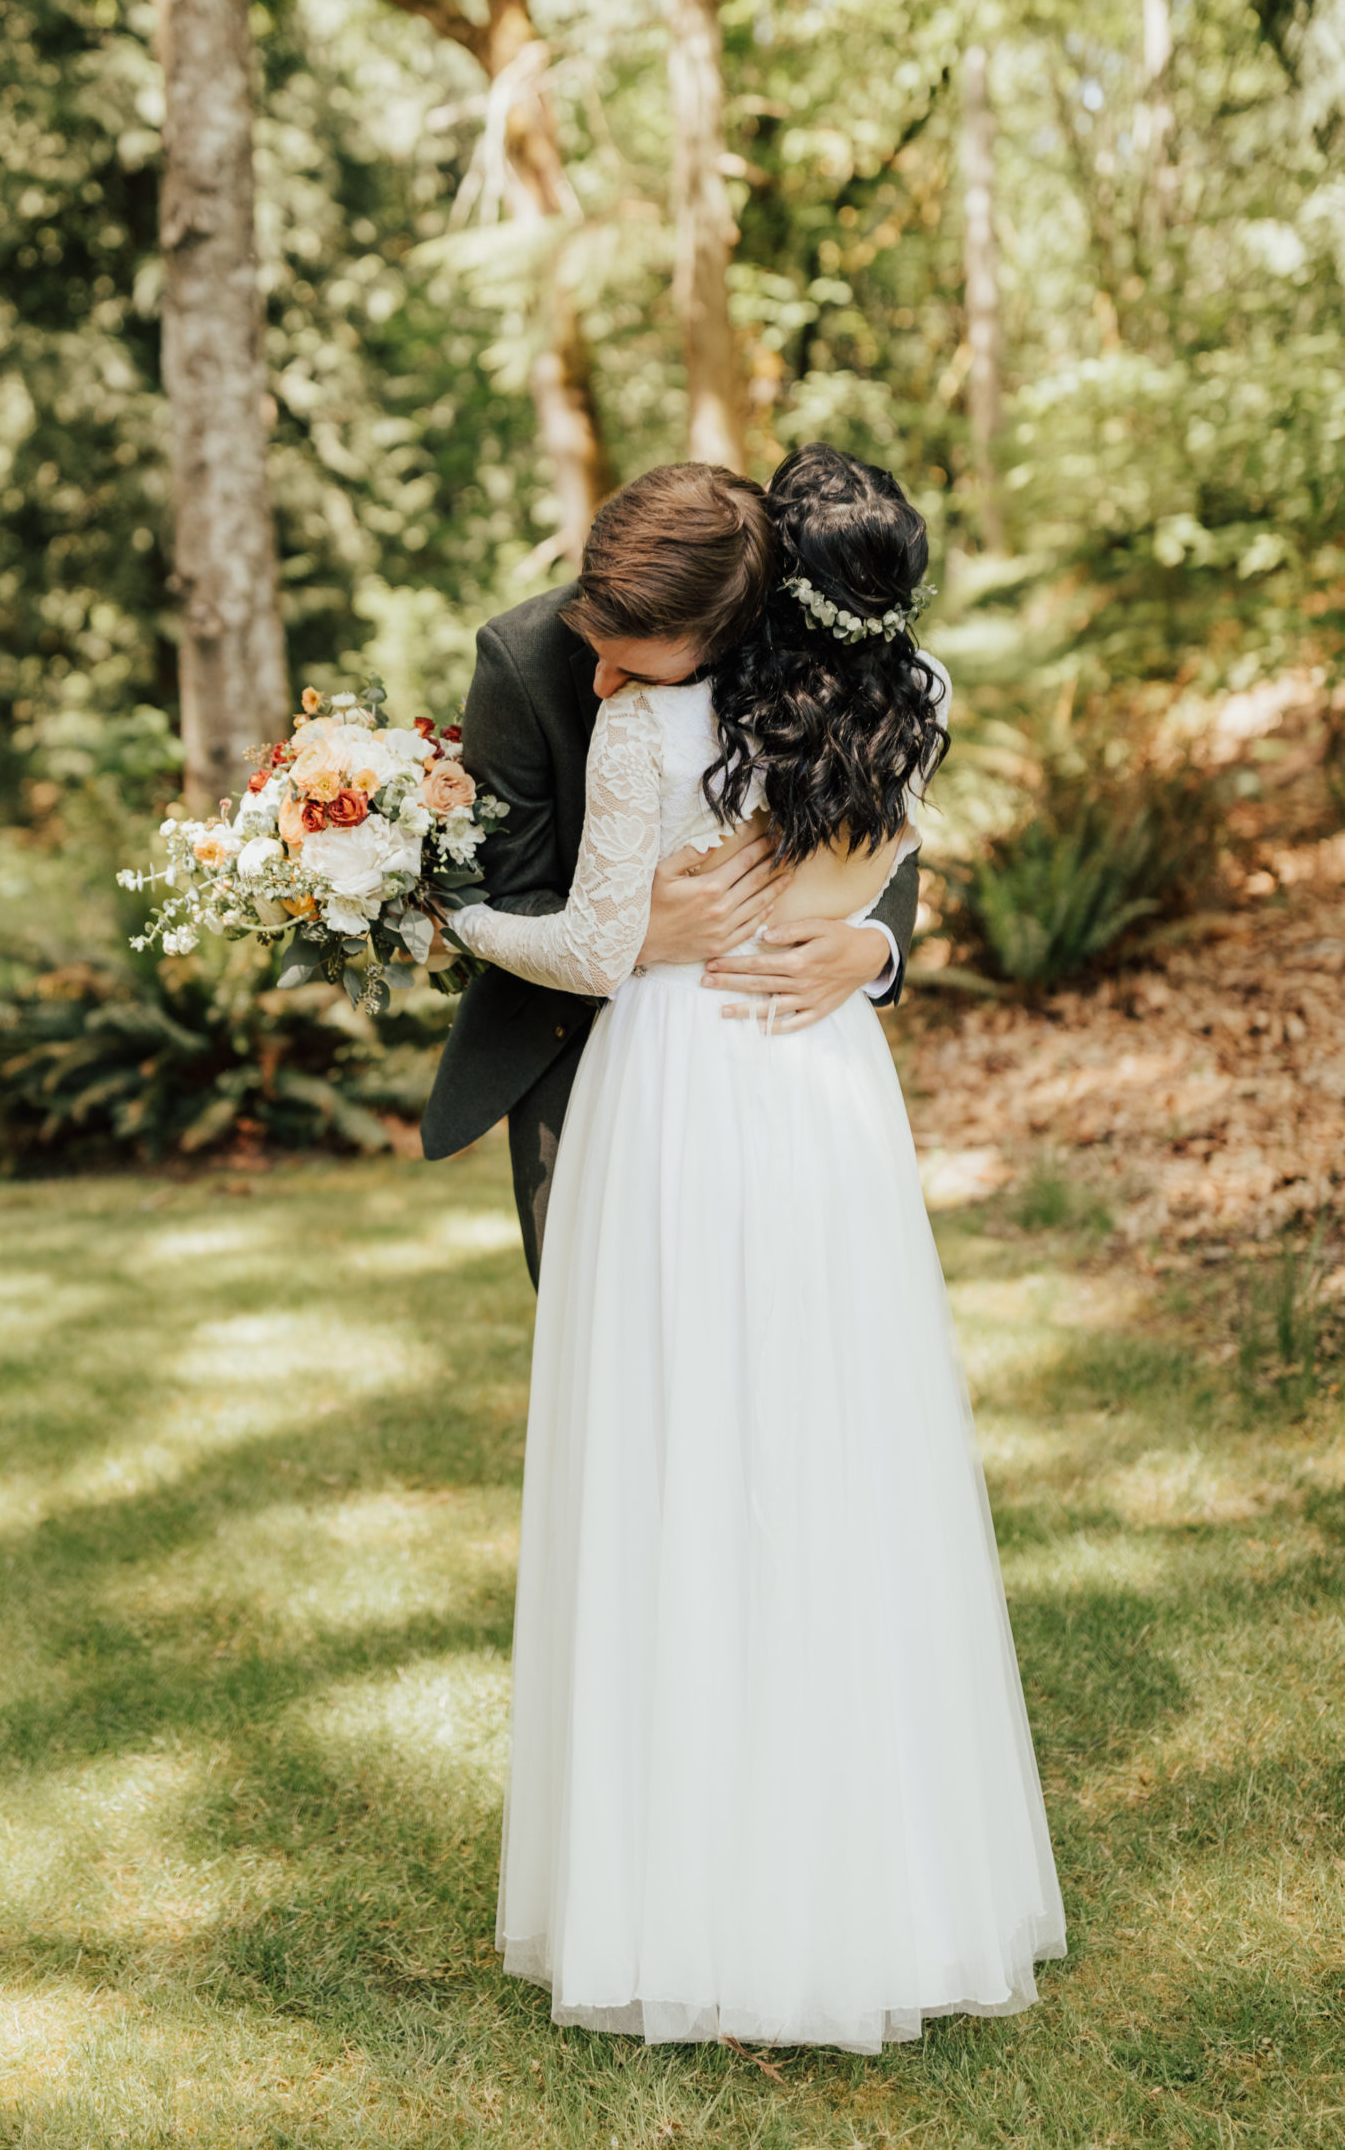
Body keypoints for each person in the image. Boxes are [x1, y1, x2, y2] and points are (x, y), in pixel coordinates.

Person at [446, 445, 1066, 2053]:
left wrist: (442, 915)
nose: (593, 663)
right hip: (825, 1119)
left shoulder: (648, 726)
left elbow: (586, 940)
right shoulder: (899, 686)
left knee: (674, 1467)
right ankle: (871, 1889)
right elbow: (876, 829)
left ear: (719, 617)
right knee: (832, 1463)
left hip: (675, 1099)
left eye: (626, 638)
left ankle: (684, 1891)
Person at [421, 464, 919, 1285]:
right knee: (610, 1349)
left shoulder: (805, 643)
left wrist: (873, 947)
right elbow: (502, 884)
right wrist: (638, 937)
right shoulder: (517, 660)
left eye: (640, 672)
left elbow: (875, 795)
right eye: (594, 650)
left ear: (732, 628)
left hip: (788, 1053)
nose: (601, 684)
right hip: (576, 1052)